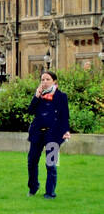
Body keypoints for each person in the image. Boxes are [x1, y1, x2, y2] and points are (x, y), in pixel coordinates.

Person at [28, 70, 71, 199]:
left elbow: (65, 116)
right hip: (37, 134)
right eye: (42, 80)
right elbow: (30, 111)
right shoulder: (39, 96)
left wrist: (66, 131)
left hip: (53, 135)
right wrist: (36, 96)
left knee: (50, 164)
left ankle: (50, 192)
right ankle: (33, 187)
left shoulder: (61, 96)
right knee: (31, 162)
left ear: (54, 81)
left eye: (47, 79)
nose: (45, 82)